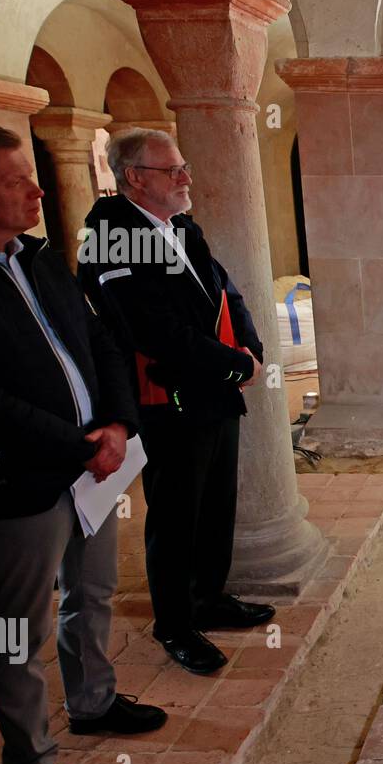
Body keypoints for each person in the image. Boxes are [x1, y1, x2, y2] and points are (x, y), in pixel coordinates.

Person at [0, 125, 166, 764]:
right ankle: (30, 762)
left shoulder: (36, 255)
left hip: (92, 464)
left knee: (92, 593)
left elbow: (99, 340)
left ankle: (93, 700)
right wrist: (78, 443)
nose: (36, 189)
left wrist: (119, 423)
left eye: (32, 175)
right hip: (15, 482)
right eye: (13, 182)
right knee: (17, 629)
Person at [78, 129, 274, 675]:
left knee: (215, 505)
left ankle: (207, 598)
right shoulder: (110, 239)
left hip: (211, 392)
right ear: (134, 178)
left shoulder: (180, 226)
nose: (187, 177)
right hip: (168, 399)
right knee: (177, 514)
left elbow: (225, 290)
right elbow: (153, 331)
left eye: (184, 166)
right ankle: (174, 622)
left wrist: (251, 349)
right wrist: (236, 366)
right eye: (173, 170)